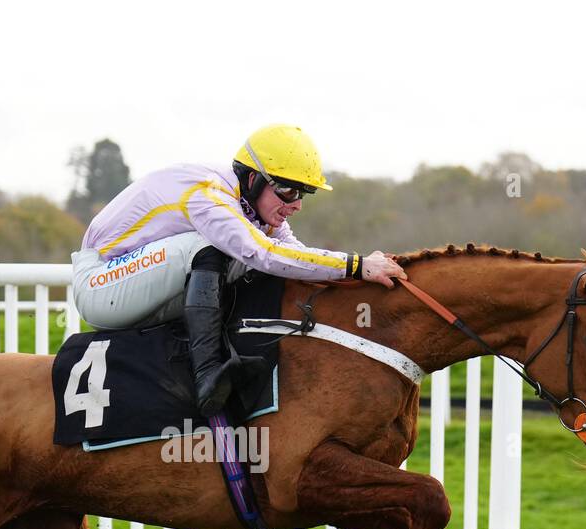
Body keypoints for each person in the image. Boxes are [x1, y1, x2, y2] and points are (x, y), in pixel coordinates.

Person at [71, 124, 407, 416]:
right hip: (101, 285)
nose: (297, 204)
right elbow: (264, 252)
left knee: (254, 261)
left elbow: (293, 257)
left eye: (305, 193)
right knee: (211, 247)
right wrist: (357, 265)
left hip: (140, 288)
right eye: (288, 190)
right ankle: (208, 377)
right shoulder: (210, 197)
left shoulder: (250, 202)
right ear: (253, 179)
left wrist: (360, 273)